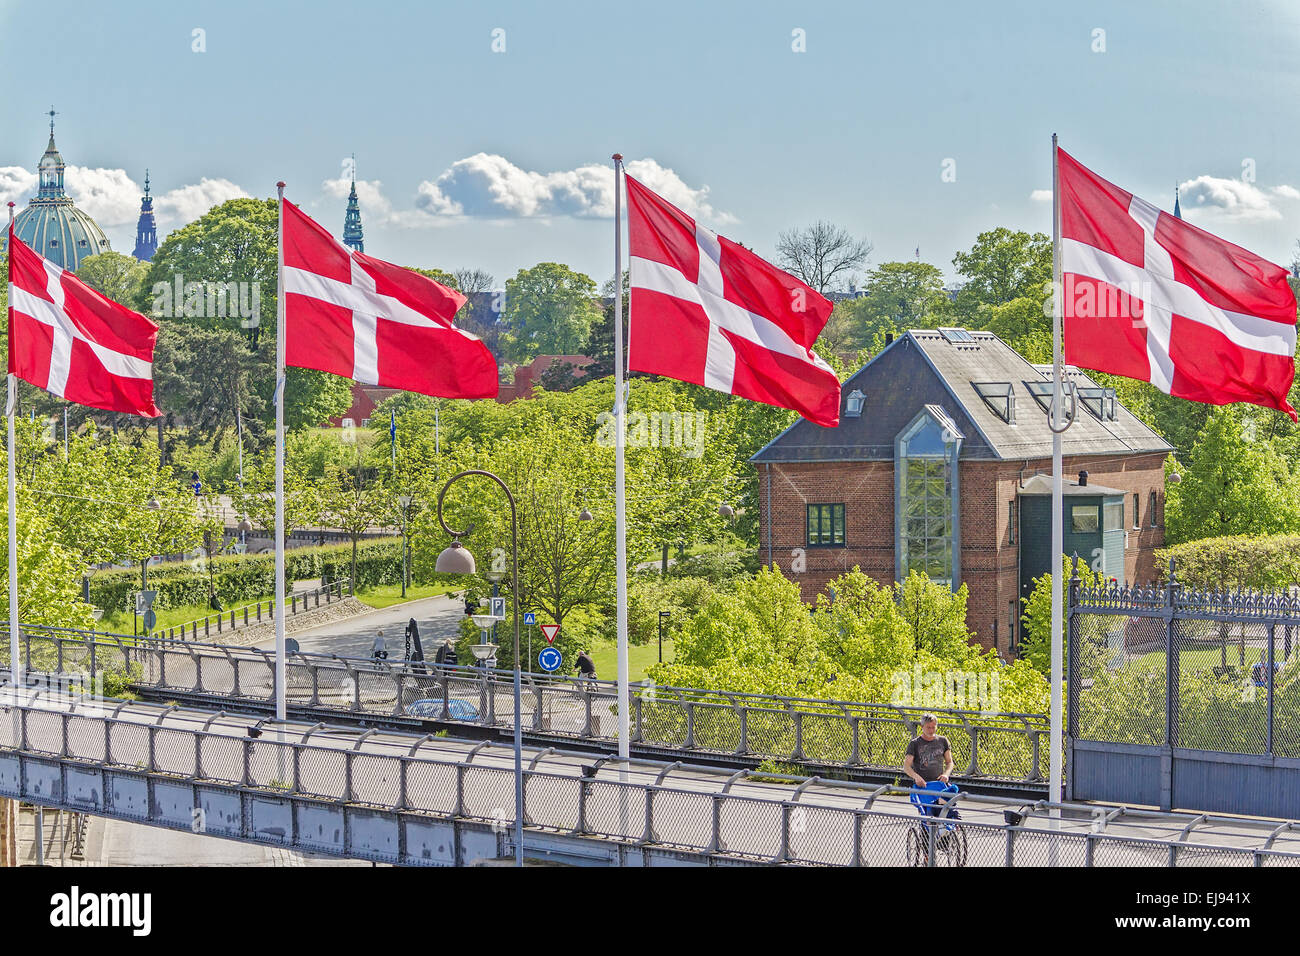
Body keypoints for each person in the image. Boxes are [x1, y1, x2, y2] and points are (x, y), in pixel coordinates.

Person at [904, 714, 959, 819]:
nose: (931, 730)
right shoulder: (914, 744)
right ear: (922, 726)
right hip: (924, 785)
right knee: (927, 813)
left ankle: (951, 828)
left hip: (940, 784)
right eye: (928, 727)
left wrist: (946, 774)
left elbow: (949, 762)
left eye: (933, 727)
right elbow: (906, 766)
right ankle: (926, 832)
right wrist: (916, 777)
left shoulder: (943, 741)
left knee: (949, 804)